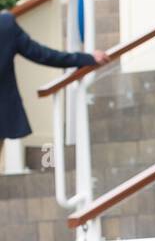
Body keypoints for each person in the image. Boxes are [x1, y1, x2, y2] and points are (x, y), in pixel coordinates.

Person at [0, 11, 107, 153]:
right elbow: (43, 55)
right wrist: (86, 58)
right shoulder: (5, 25)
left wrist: (86, 59)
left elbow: (42, 54)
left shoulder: (5, 24)